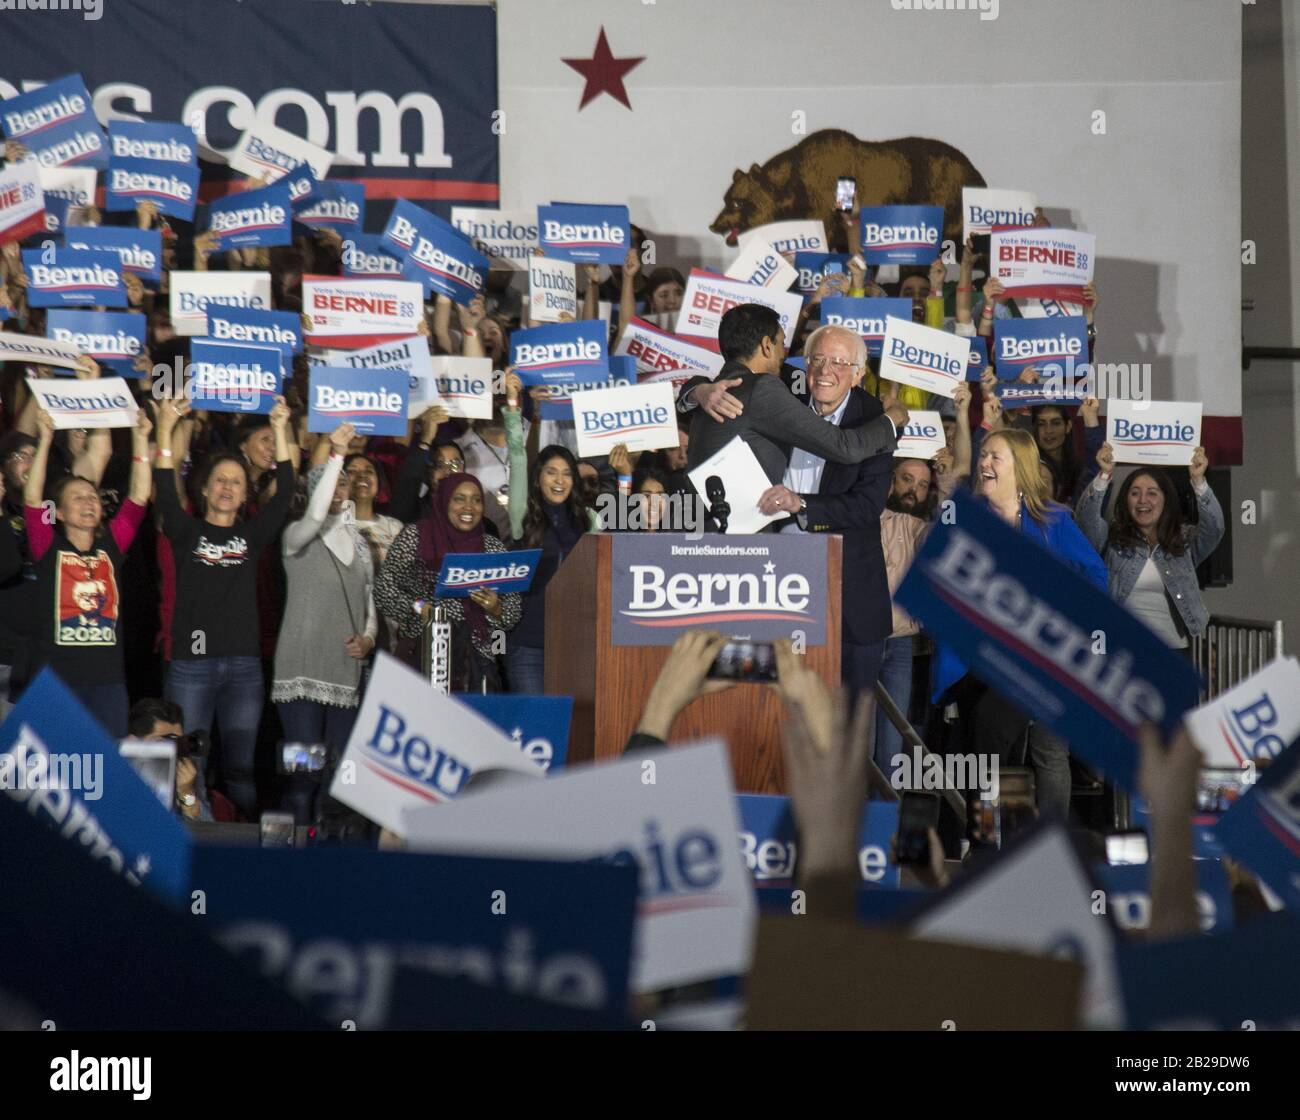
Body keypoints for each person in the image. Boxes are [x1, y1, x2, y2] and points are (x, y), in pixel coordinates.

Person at [934, 428, 1107, 819]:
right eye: (983, 456)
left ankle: (1011, 840)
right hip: (975, 659)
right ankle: (992, 838)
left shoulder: (1053, 521)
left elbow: (1095, 574)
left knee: (1004, 736)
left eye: (995, 456)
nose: (984, 463)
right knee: (983, 748)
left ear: (1019, 466)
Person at [153, 397, 296, 817]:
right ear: (204, 488)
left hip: (243, 669)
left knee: (241, 770)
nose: (228, 487)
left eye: (236, 481)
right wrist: (165, 426)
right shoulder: (184, 530)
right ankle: (190, 843)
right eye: (220, 480)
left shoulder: (252, 536)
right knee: (187, 767)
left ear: (244, 493)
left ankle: (241, 853)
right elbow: (163, 484)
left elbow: (286, 486)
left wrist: (282, 427)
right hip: (191, 667)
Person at [752, 324, 894, 696]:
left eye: (839, 362)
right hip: (776, 583)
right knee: (777, 709)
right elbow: (728, 376)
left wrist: (802, 504)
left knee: (848, 724)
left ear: (858, 373)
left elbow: (867, 506)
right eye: (817, 359)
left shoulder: (875, 421)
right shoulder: (782, 402)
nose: (825, 370)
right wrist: (699, 391)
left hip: (848, 595)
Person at [21, 407, 153, 736]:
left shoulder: (111, 548)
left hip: (108, 682)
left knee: (107, 767)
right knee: (60, 768)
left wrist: (140, 438)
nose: (89, 502)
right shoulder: (48, 550)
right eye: (78, 498)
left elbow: (138, 498)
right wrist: (46, 438)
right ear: (60, 513)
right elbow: (33, 499)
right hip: (57, 680)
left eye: (93, 496)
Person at [678, 303, 906, 491]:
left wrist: (696, 391)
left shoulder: (715, 391)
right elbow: (845, 448)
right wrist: (893, 418)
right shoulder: (761, 389)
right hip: (740, 535)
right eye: (781, 343)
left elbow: (688, 393)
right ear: (767, 346)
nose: (783, 354)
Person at [272, 424, 377, 770]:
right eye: (331, 482)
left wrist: (369, 638)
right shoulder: (295, 536)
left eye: (343, 482)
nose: (337, 488)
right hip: (301, 672)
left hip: (345, 670)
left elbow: (368, 598)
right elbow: (316, 515)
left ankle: (330, 826)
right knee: (304, 773)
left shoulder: (361, 543)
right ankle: (300, 825)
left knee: (340, 774)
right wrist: (337, 454)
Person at [375, 472, 520, 692]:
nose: (468, 507)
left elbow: (513, 610)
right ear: (444, 501)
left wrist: (496, 607)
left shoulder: (492, 548)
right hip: (423, 653)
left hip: (476, 662)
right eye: (459, 498)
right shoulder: (416, 537)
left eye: (476, 500)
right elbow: (384, 590)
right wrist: (420, 607)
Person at [503, 372, 602, 693]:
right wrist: (514, 401)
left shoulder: (588, 520)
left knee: (571, 734)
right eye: (550, 472)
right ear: (538, 477)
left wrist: (627, 478)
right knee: (533, 734)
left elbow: (614, 551)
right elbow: (517, 456)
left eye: (566, 473)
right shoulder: (523, 514)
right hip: (527, 645)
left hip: (576, 645)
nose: (558, 480)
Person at [1075, 444, 1223, 653]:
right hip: (1122, 651)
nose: (1143, 500)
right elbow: (1086, 521)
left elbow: (1215, 528)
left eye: (1152, 493)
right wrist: (1103, 476)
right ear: (1126, 500)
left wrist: (1199, 481)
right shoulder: (1112, 539)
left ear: (1166, 499)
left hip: (1173, 651)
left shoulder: (1182, 540)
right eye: (1135, 493)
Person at [127, 697, 216, 823]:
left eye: (176, 741)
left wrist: (186, 792)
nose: (172, 749)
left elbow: (210, 829)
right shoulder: (115, 771)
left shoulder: (184, 769)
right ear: (133, 742)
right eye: (163, 742)